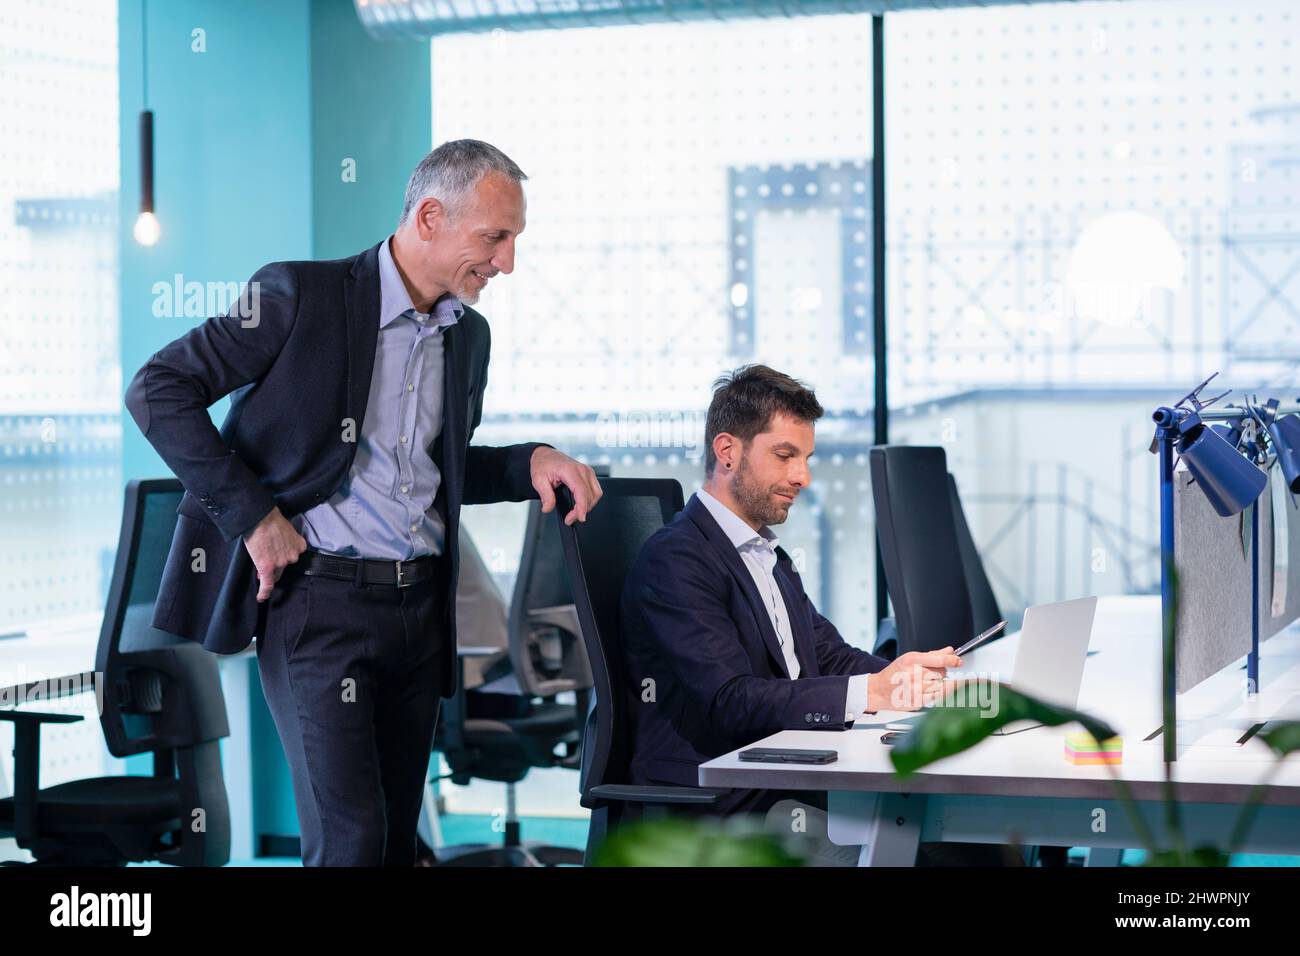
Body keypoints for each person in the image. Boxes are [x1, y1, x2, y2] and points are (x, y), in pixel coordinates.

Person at [125, 139, 602, 866]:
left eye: (513, 241)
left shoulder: (466, 337)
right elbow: (157, 389)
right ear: (431, 217)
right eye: (495, 238)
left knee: (391, 845)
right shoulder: (298, 296)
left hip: (418, 617)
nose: (507, 263)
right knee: (350, 846)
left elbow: (435, 471)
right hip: (320, 612)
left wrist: (527, 461)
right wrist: (254, 517)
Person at [619, 364, 1021, 865]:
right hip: (729, 804)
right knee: (957, 850)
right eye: (785, 455)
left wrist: (909, 677)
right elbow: (730, 700)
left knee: (980, 832)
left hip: (784, 780)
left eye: (806, 458)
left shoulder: (765, 554)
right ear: (728, 452)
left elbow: (828, 656)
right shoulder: (678, 559)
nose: (802, 477)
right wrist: (873, 693)